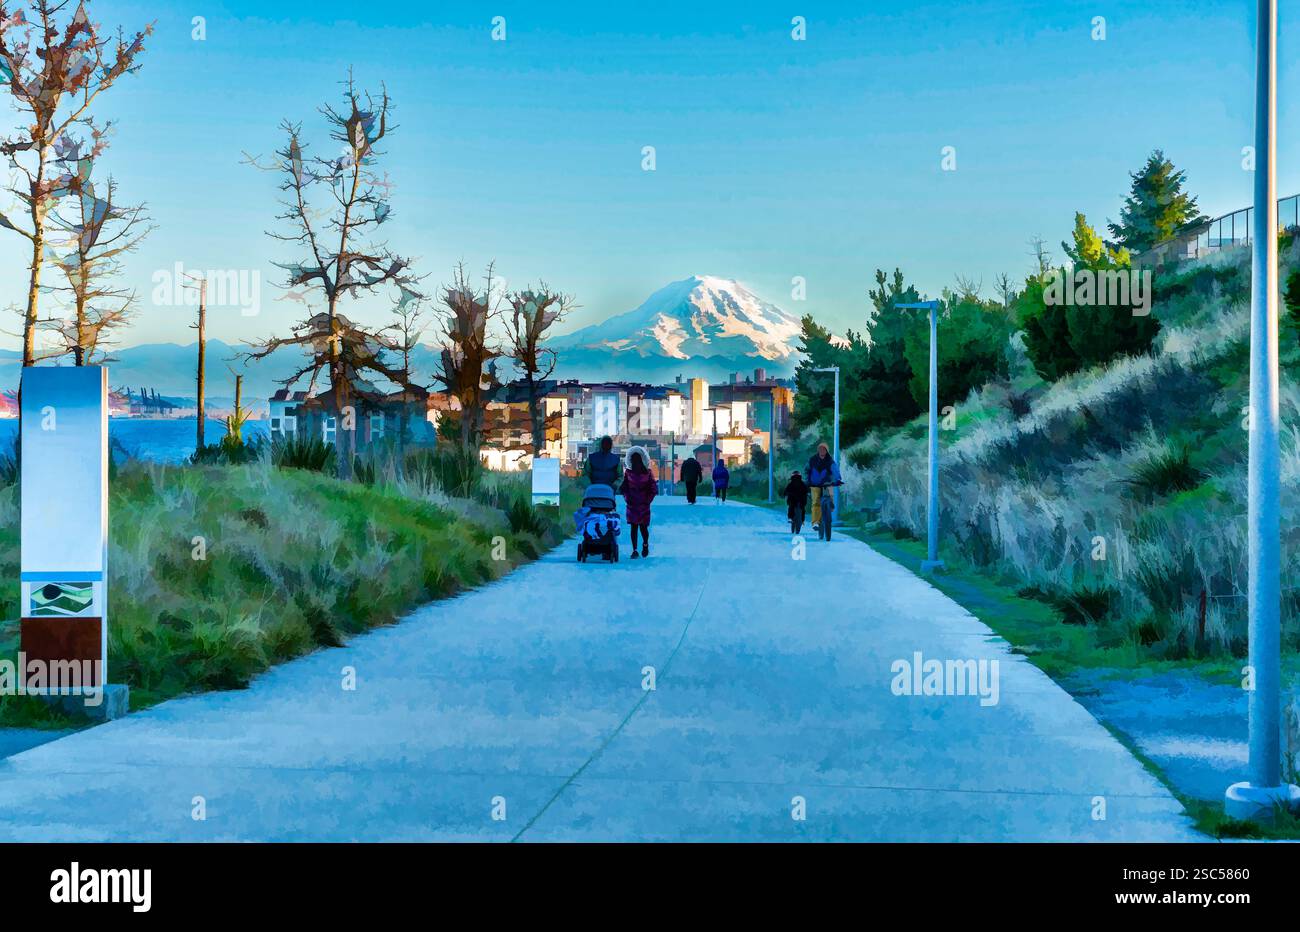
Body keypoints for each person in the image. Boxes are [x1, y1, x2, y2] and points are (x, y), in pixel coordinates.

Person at [621, 449, 657, 559]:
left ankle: (635, 550)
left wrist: (627, 498)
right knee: (643, 527)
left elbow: (624, 488)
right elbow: (653, 489)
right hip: (644, 504)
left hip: (632, 503)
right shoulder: (648, 473)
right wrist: (648, 500)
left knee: (634, 527)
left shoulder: (628, 473)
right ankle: (645, 544)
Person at [807, 442, 842, 530]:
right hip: (814, 484)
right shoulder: (812, 460)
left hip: (826, 483)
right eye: (820, 449)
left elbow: (835, 471)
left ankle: (830, 507)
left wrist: (838, 479)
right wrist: (807, 480)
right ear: (818, 450)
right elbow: (806, 470)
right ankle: (815, 522)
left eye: (824, 449)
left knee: (830, 495)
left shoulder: (830, 461)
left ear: (826, 451)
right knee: (815, 502)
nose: (822, 451)